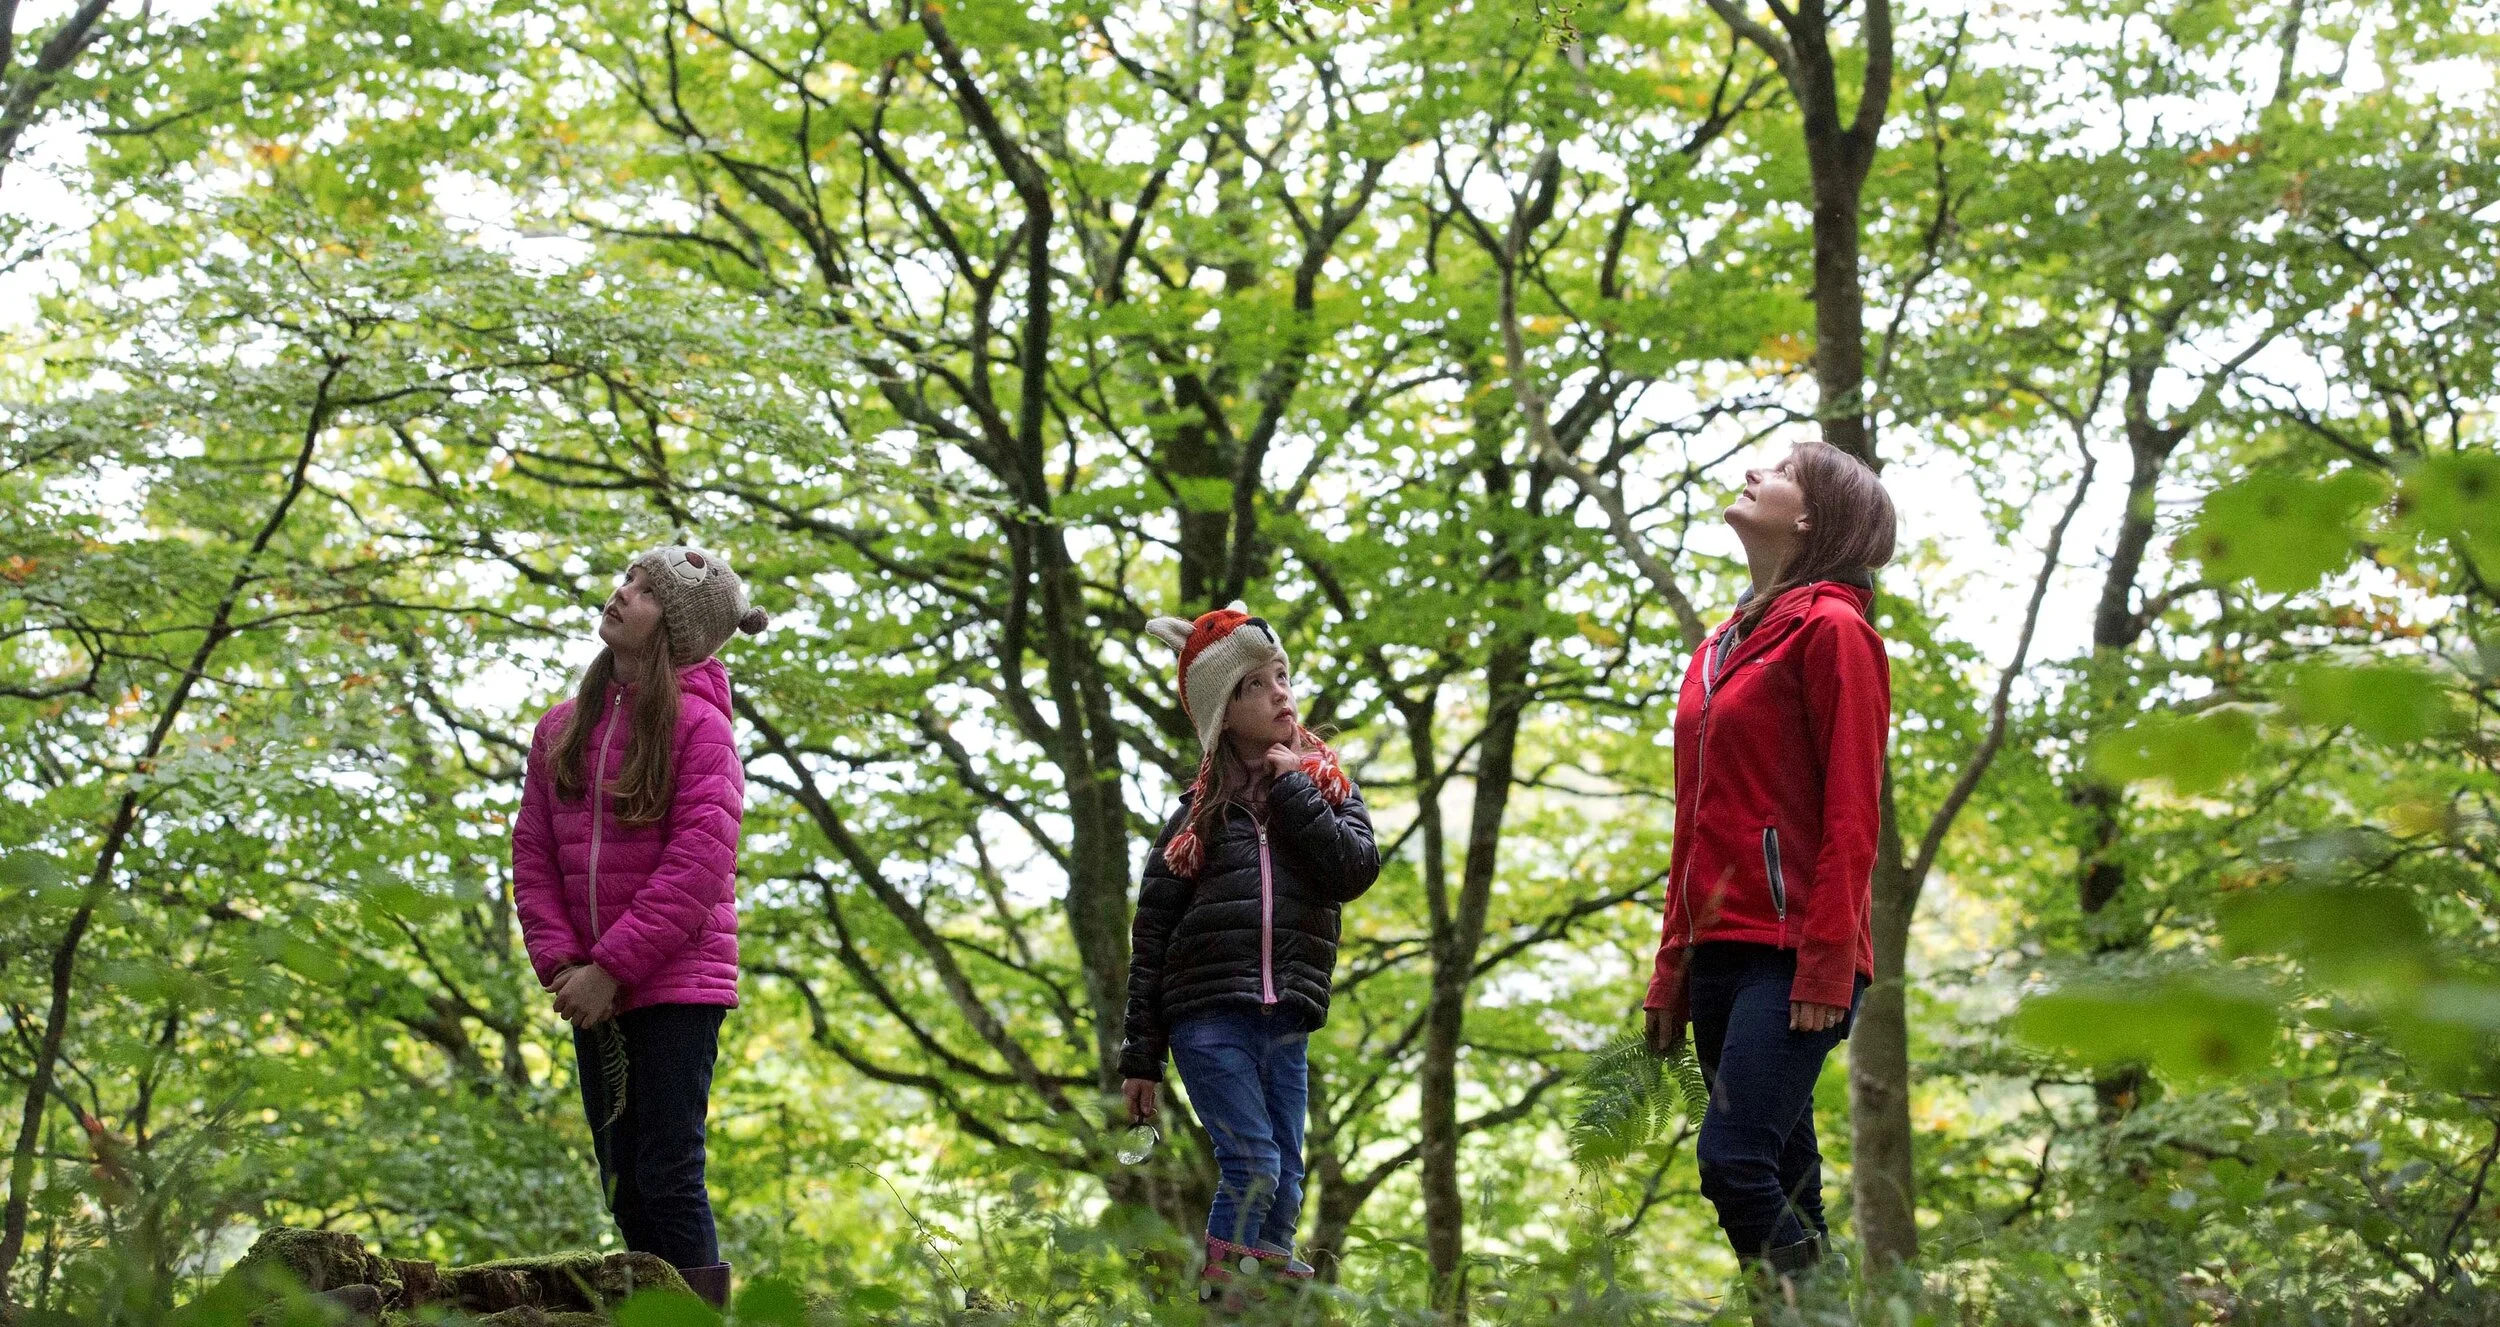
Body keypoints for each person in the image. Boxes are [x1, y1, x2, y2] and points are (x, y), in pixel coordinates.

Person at [1642, 442, 1896, 1307]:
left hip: (1795, 952)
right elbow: (1693, 821)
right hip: (1716, 949)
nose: (1756, 472)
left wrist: (1827, 961)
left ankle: (1816, 1314)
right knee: (1787, 1181)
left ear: (1812, 518)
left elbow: (1854, 811)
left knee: (1733, 1160)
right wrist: (1671, 969)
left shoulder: (1836, 631)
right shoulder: (1717, 648)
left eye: (1782, 470)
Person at [512, 545, 770, 1309]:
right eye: (629, 579)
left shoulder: (702, 730)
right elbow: (532, 852)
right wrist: (565, 965)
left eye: (647, 590)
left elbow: (699, 865)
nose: (623, 593)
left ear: (678, 630)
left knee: (668, 1174)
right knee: (622, 1183)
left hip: (676, 984)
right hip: (591, 987)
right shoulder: (561, 728)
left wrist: (612, 967)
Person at [1119, 604, 1380, 1293]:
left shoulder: (1326, 789)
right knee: (1255, 1163)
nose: (1279, 693)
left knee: (1287, 1172)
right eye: (1255, 685)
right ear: (1223, 716)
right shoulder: (1193, 822)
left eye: (1282, 676)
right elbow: (1151, 940)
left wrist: (1294, 785)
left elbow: (1354, 870)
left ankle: (1260, 1292)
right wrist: (1142, 1058)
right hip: (1208, 1015)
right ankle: (1227, 1291)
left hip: (1286, 1013)